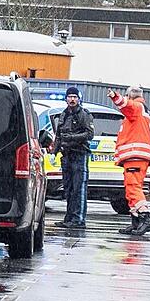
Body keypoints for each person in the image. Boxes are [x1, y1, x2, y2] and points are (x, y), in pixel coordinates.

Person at [111, 85, 150, 235]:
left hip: (134, 156)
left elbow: (124, 104)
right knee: (131, 188)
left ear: (130, 96)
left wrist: (114, 95)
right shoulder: (144, 110)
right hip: (137, 156)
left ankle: (144, 218)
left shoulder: (136, 107)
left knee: (133, 187)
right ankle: (136, 221)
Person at [53, 87, 95, 229]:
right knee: (69, 189)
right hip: (66, 156)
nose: (72, 99)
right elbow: (58, 136)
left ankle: (79, 219)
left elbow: (89, 134)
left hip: (79, 155)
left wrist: (72, 138)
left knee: (79, 188)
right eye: (70, 97)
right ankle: (69, 217)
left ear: (79, 99)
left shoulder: (84, 115)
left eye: (74, 97)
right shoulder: (63, 115)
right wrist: (54, 152)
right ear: (66, 99)